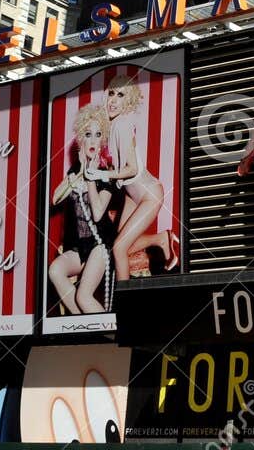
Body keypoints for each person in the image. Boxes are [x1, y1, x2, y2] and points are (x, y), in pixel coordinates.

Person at [95, 77, 176, 280]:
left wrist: (103, 174)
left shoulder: (122, 125)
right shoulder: (111, 127)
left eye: (120, 95)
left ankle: (124, 304)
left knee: (119, 249)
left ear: (128, 102)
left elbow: (131, 169)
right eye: (111, 93)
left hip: (149, 194)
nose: (113, 100)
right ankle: (162, 239)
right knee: (122, 246)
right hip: (132, 194)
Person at [47, 105, 122, 316]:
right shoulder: (75, 171)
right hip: (79, 247)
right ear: (81, 139)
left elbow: (98, 213)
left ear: (103, 141)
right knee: (55, 270)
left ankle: (107, 336)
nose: (92, 140)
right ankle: (81, 323)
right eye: (88, 135)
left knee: (83, 295)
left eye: (98, 135)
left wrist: (90, 176)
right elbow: (55, 198)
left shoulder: (107, 173)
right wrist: (80, 171)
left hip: (101, 244)